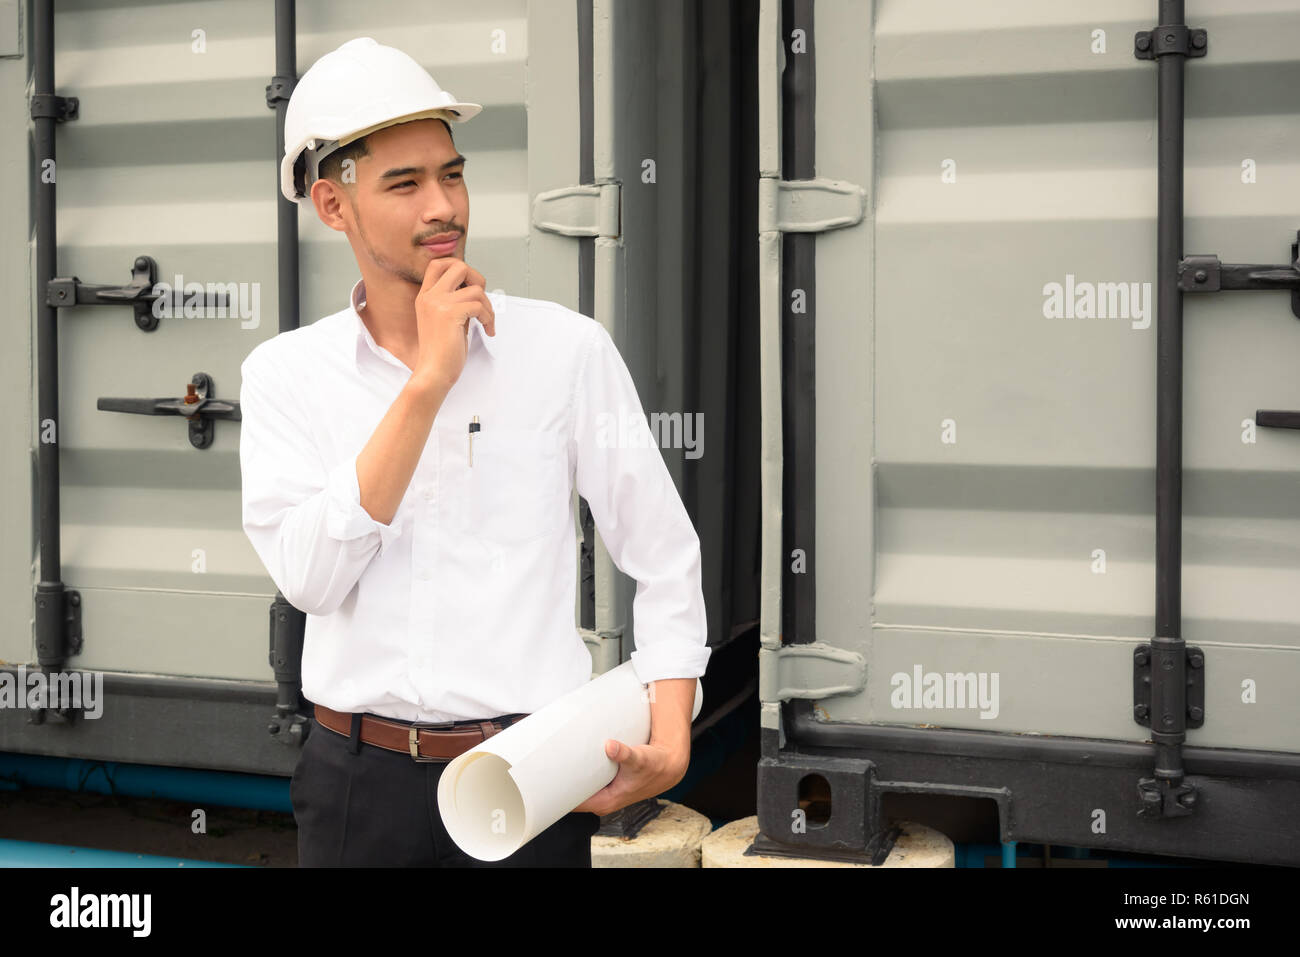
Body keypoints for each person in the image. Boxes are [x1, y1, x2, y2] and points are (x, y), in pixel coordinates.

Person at [239, 38, 711, 867]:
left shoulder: (565, 351)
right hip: (356, 789)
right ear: (331, 204)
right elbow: (312, 579)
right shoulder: (285, 376)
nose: (443, 206)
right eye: (404, 183)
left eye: (451, 174)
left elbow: (664, 552)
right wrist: (426, 385)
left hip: (526, 781)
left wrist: (672, 729)